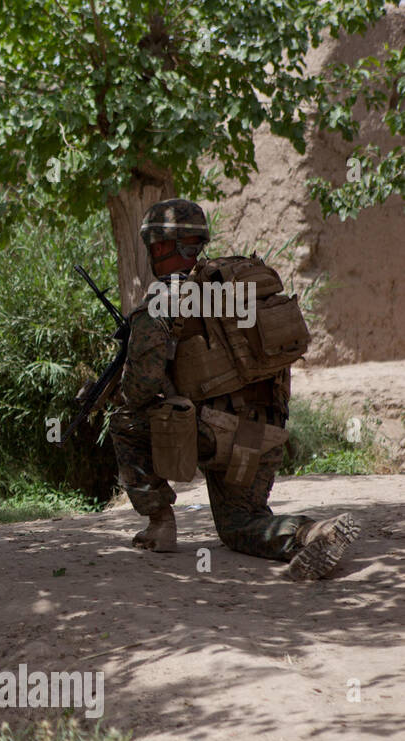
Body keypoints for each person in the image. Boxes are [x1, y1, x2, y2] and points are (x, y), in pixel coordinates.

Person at [109, 198, 359, 581]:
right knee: (241, 524)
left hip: (214, 436)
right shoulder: (237, 288)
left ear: (159, 246)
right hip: (264, 437)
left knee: (125, 420)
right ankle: (312, 533)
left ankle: (160, 524)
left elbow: (139, 391)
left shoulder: (162, 303)